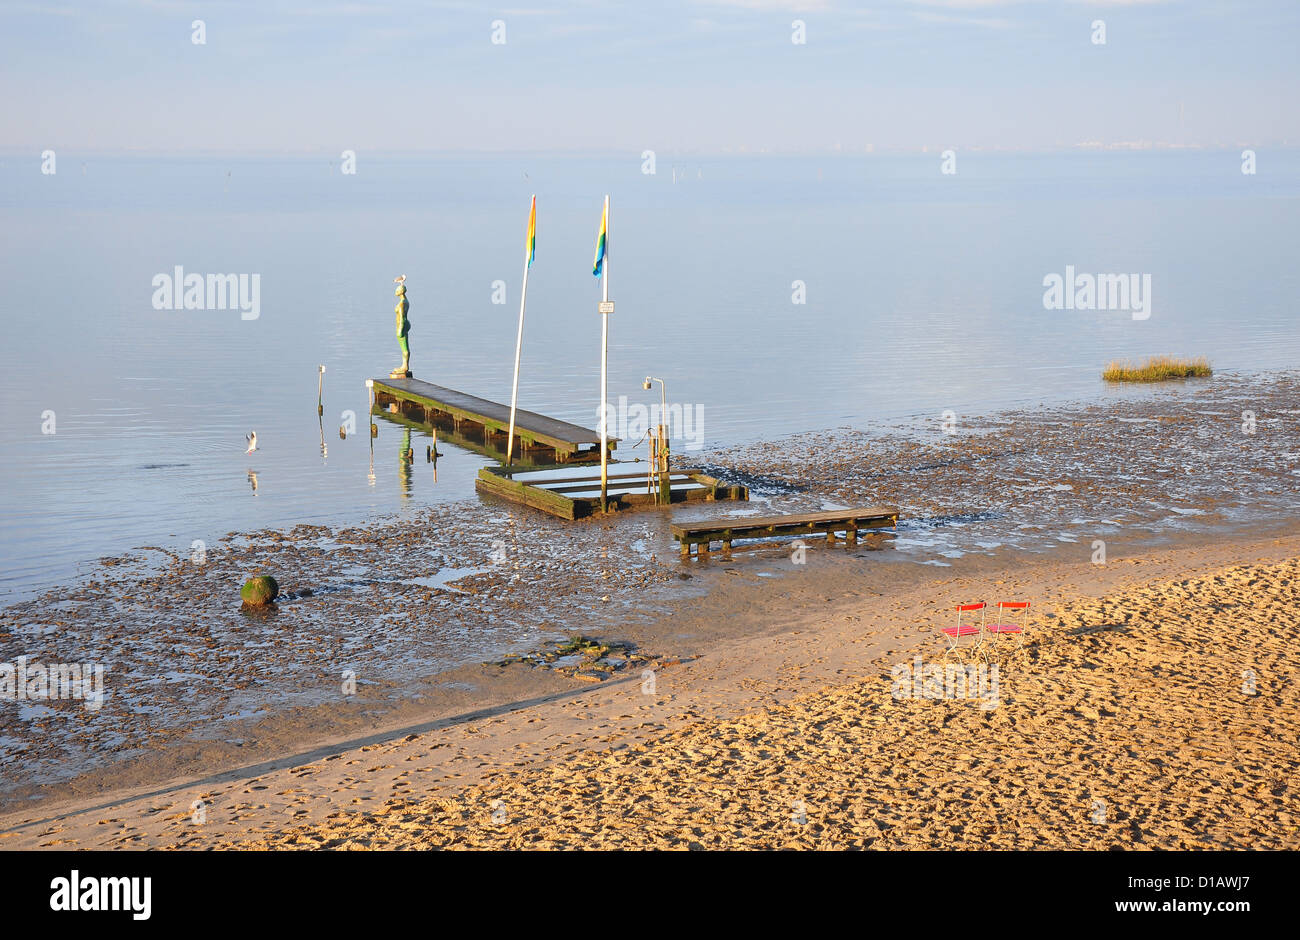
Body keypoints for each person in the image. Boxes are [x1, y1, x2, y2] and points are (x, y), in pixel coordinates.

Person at [391, 277, 411, 378]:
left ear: (400, 292)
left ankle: (404, 366)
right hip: (406, 324)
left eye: (397, 290)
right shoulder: (406, 301)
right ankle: (404, 365)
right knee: (405, 346)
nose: (395, 291)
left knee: (404, 347)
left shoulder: (402, 303)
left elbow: (402, 317)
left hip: (401, 325)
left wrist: (400, 329)